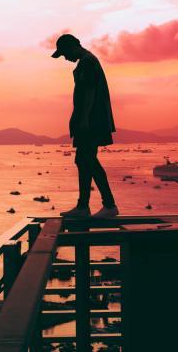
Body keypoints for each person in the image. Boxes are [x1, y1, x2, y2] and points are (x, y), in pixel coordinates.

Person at [51, 33, 118, 219]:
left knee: (86, 159)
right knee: (84, 160)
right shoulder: (87, 61)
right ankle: (85, 206)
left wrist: (84, 119)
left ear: (73, 47)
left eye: (65, 53)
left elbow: (89, 91)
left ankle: (107, 205)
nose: (65, 58)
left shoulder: (87, 62)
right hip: (92, 120)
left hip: (91, 121)